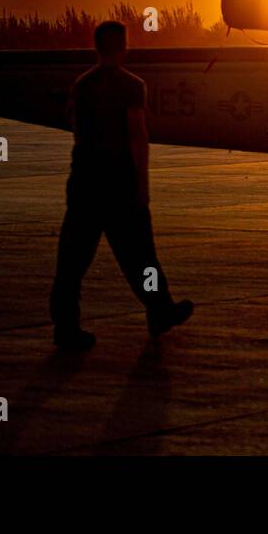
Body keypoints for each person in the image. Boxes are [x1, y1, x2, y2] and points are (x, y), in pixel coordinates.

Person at [49, 21, 192, 350]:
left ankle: (65, 326)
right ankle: (159, 310)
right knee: (141, 256)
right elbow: (137, 136)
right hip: (120, 185)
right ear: (123, 46)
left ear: (96, 46)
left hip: (84, 182)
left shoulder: (82, 85)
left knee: (72, 260)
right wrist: (143, 185)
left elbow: (78, 131)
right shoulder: (132, 86)